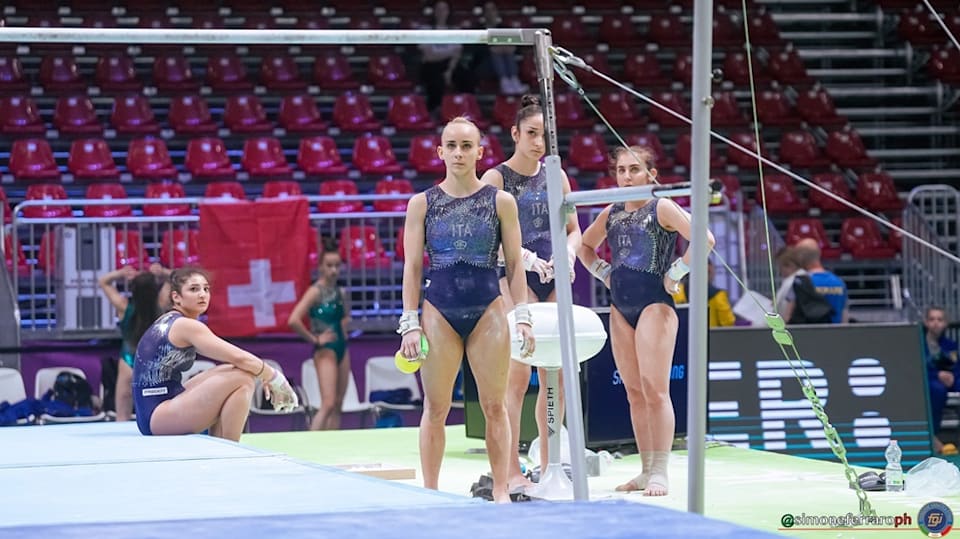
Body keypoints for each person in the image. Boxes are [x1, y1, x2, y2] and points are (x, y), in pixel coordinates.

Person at [398, 116, 535, 504]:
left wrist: (521, 316)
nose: (459, 153)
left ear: (480, 151)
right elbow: (412, 267)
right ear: (440, 151)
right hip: (439, 309)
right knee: (436, 407)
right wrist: (410, 323)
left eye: (466, 146)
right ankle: (430, 492)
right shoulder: (421, 203)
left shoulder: (501, 202)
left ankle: (503, 489)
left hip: (488, 309)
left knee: (495, 405)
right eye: (452, 146)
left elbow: (513, 264)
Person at [578, 145, 715, 496]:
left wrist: (678, 272)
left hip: (655, 303)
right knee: (634, 393)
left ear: (651, 175)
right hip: (620, 309)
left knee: (655, 391)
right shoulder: (611, 212)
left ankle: (661, 471)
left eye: (635, 170)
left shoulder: (662, 207)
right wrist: (604, 273)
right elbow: (584, 247)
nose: (626, 177)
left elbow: (705, 238)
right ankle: (644, 468)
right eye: (621, 170)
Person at [480, 94, 581, 492]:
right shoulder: (496, 178)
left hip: (554, 278)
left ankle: (548, 462)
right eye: (532, 134)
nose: (539, 142)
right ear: (515, 134)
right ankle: (509, 470)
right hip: (514, 279)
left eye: (545, 135)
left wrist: (568, 255)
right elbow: (490, 237)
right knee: (517, 378)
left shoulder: (557, 175)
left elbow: (572, 230)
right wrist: (527, 258)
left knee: (552, 375)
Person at [133, 267, 298, 442]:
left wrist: (264, 374)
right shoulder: (185, 325)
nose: (202, 294)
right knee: (243, 377)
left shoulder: (173, 320)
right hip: (157, 416)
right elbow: (239, 357)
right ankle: (230, 449)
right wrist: (276, 378)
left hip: (156, 409)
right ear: (176, 297)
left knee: (235, 371)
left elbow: (237, 361)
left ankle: (224, 444)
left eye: (206, 289)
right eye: (194, 289)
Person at [288, 237, 352, 431]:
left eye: (337, 265)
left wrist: (343, 326)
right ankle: (310, 444)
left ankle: (333, 447)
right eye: (329, 265)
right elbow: (293, 320)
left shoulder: (341, 292)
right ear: (321, 266)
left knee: (339, 404)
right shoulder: (314, 292)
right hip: (325, 349)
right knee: (328, 403)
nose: (334, 270)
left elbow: (345, 316)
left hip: (342, 347)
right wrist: (315, 339)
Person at [97, 263, 171, 422]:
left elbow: (103, 281)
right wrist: (162, 271)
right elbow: (176, 277)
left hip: (129, 362)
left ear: (133, 291)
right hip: (155, 363)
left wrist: (120, 273)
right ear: (155, 290)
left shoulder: (124, 307)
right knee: (158, 415)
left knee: (122, 416)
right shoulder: (162, 305)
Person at [923, 306, 960, 454]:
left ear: (945, 323)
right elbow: (918, 367)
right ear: (926, 322)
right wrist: (937, 375)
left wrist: (953, 378)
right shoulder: (920, 342)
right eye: (932, 319)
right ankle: (933, 436)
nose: (936, 323)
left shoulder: (950, 345)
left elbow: (956, 366)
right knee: (936, 389)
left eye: (940, 319)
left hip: (951, 382)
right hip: (930, 381)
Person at [418, 1, 464, 113]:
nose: (441, 12)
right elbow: (428, 56)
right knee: (436, 80)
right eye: (438, 9)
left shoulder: (455, 30)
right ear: (434, 11)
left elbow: (457, 53)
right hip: (431, 65)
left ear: (448, 12)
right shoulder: (425, 29)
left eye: (444, 9)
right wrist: (450, 52)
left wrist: (449, 71)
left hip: (450, 65)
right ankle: (435, 109)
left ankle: (464, 108)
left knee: (467, 76)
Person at [793, 238, 848, 324]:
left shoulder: (801, 283)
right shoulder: (839, 282)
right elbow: (844, 316)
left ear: (801, 257)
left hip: (811, 334)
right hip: (836, 333)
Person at [479, 1, 528, 95]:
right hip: (485, 64)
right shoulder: (478, 29)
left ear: (496, 12)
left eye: (492, 10)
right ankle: (504, 81)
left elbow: (516, 47)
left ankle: (514, 79)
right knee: (496, 53)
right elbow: (476, 51)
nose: (490, 13)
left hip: (507, 61)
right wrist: (492, 50)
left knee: (507, 51)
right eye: (487, 10)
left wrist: (508, 48)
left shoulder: (504, 28)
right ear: (483, 13)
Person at [670, 259, 736, 327]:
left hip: (681, 335)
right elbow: (728, 323)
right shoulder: (718, 295)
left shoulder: (676, 292)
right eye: (709, 272)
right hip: (710, 336)